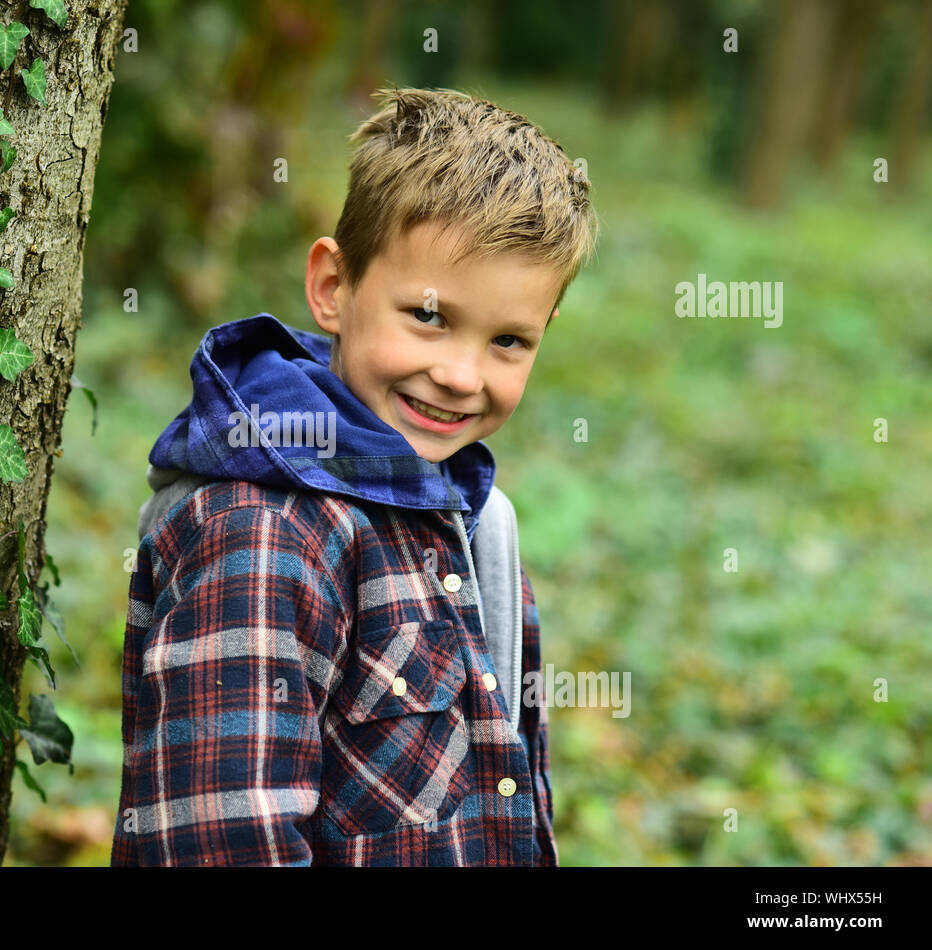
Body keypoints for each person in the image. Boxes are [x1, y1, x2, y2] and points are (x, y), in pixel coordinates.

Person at [110, 86, 598, 865]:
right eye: (429, 317)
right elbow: (228, 840)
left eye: (508, 340)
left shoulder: (471, 516)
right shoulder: (262, 533)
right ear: (334, 288)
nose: (462, 375)